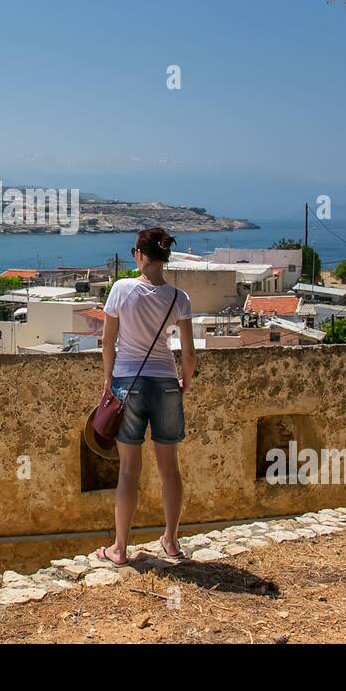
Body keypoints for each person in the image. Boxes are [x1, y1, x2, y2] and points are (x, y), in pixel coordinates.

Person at [96, 227, 194, 565]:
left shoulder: (122, 289)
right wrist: (185, 382)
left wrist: (109, 380)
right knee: (170, 469)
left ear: (139, 254)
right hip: (166, 382)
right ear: (165, 257)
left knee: (129, 470)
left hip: (128, 383)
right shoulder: (179, 298)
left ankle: (120, 549)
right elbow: (189, 354)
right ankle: (171, 540)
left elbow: (108, 341)